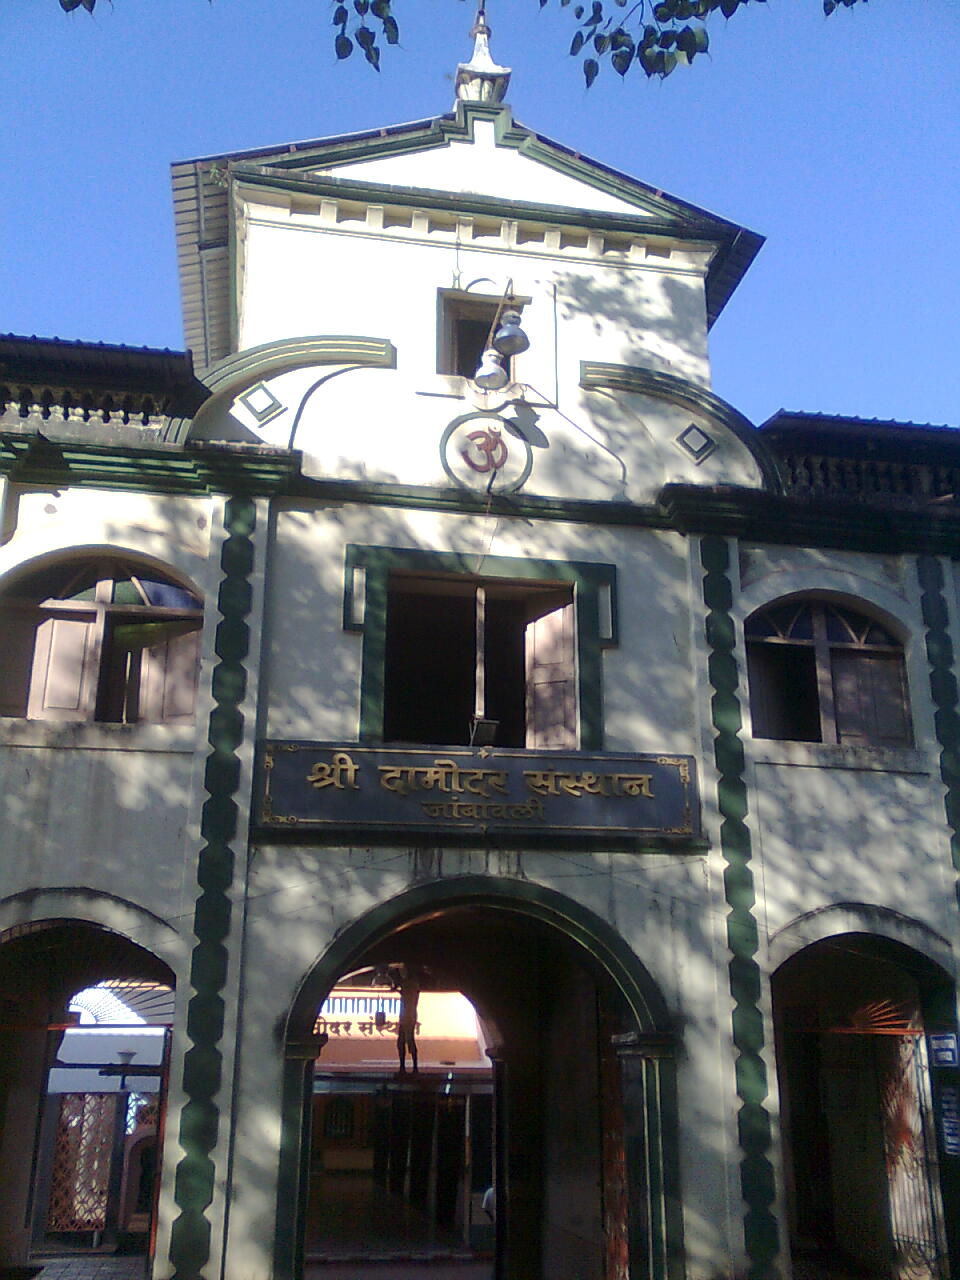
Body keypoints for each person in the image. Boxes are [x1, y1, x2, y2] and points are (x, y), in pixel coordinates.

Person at [391, 963, 421, 1074]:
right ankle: (406, 1067)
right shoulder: (411, 984)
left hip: (408, 1015)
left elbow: (407, 994)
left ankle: (413, 1067)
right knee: (402, 1041)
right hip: (407, 1014)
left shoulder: (410, 984)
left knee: (409, 1040)